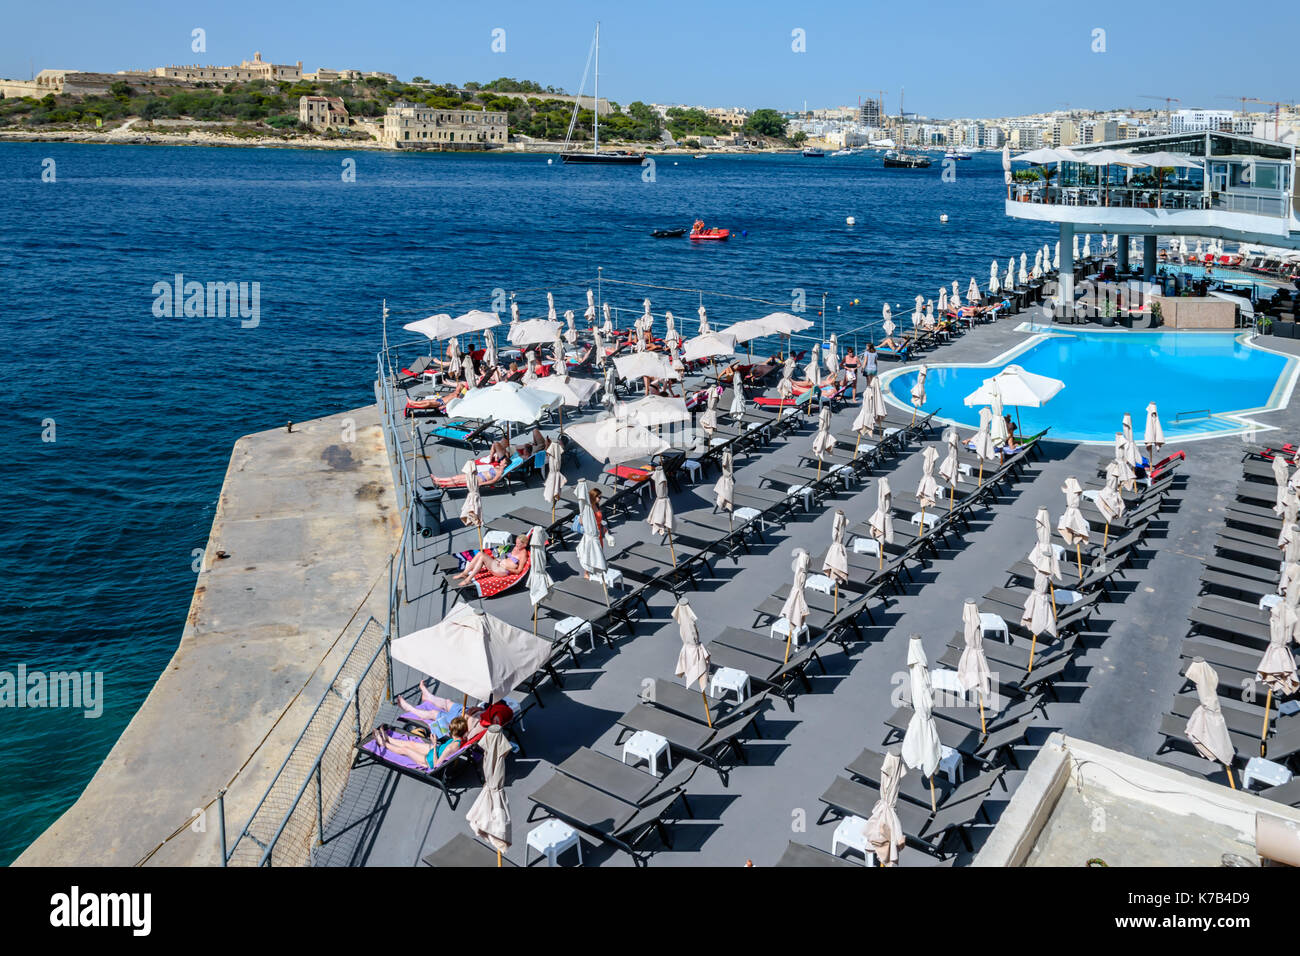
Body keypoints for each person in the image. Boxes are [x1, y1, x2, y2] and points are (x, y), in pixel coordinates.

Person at [374, 715, 469, 770]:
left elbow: (436, 765)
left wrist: (435, 744)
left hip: (430, 760)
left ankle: (384, 744)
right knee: (411, 744)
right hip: (437, 750)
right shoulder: (461, 739)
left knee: (406, 750)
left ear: (454, 731)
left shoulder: (450, 748)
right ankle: (389, 739)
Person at [454, 532, 529, 585]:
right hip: (499, 565)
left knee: (482, 556)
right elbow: (509, 560)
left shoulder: (523, 555)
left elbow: (519, 571)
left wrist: (507, 568)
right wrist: (500, 560)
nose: (516, 545)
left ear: (524, 544)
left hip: (502, 571)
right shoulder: (516, 548)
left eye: (519, 544)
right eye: (516, 543)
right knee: (480, 555)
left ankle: (468, 579)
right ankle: (465, 574)